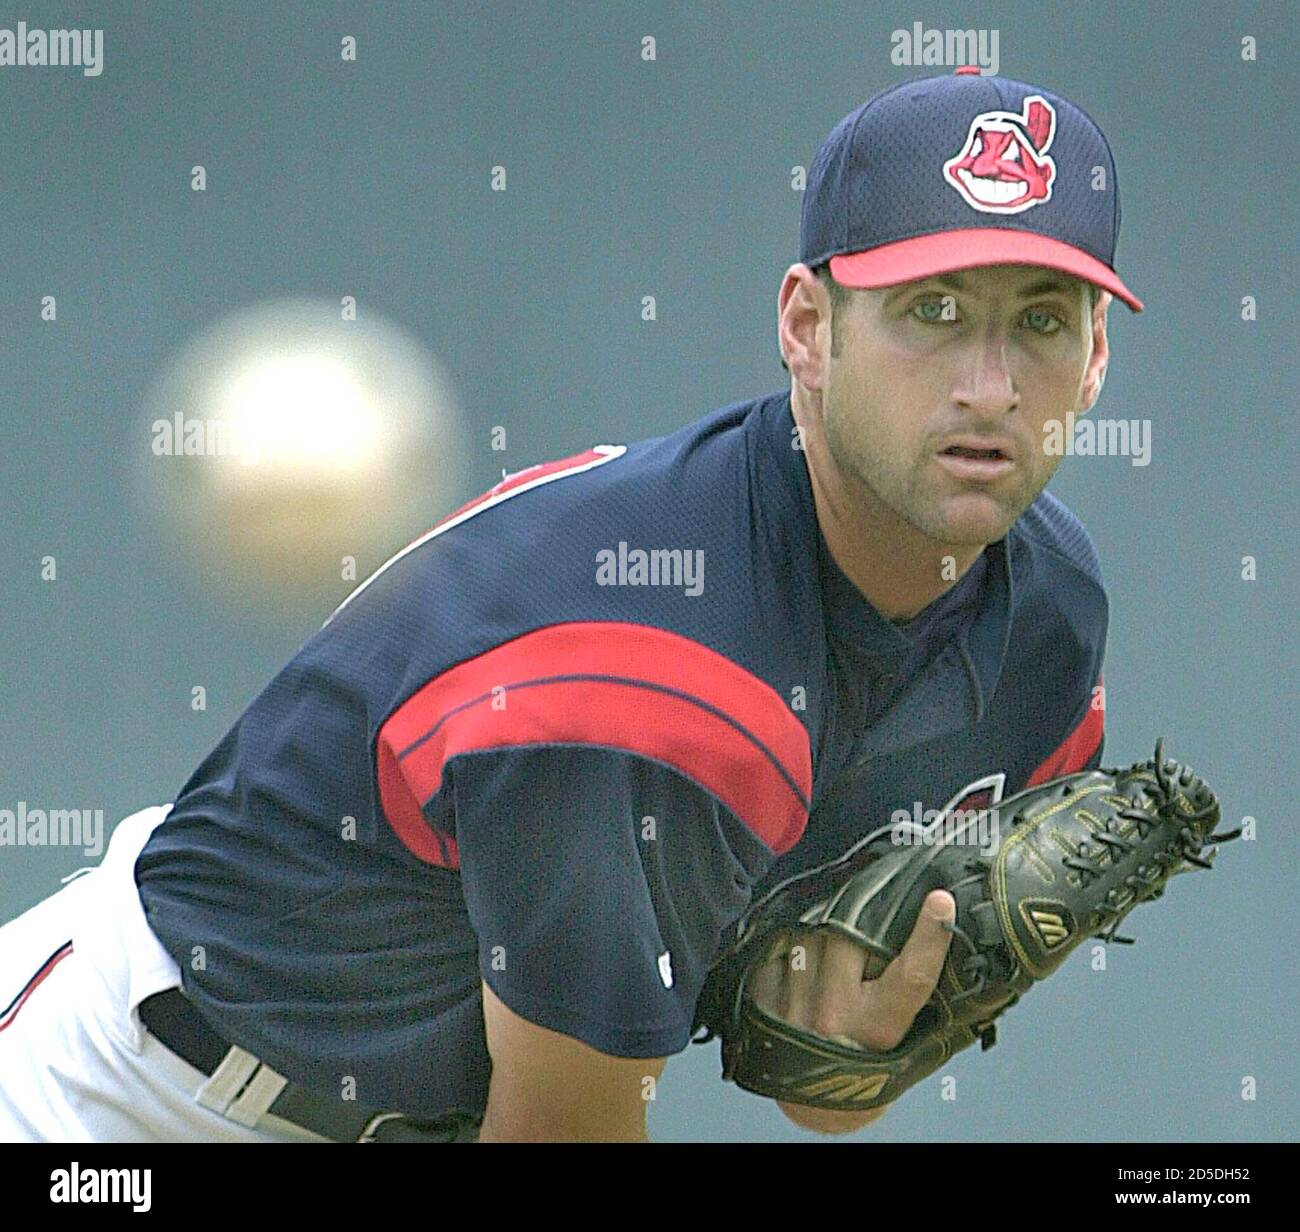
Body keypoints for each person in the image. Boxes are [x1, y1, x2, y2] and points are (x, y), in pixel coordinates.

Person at [0, 67, 1138, 1142]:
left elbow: (822, 1099)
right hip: (124, 1098)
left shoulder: (1045, 626)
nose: (988, 385)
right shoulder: (640, 662)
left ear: (1093, 362)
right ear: (806, 328)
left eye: (1041, 320)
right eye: (931, 309)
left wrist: (848, 1046)